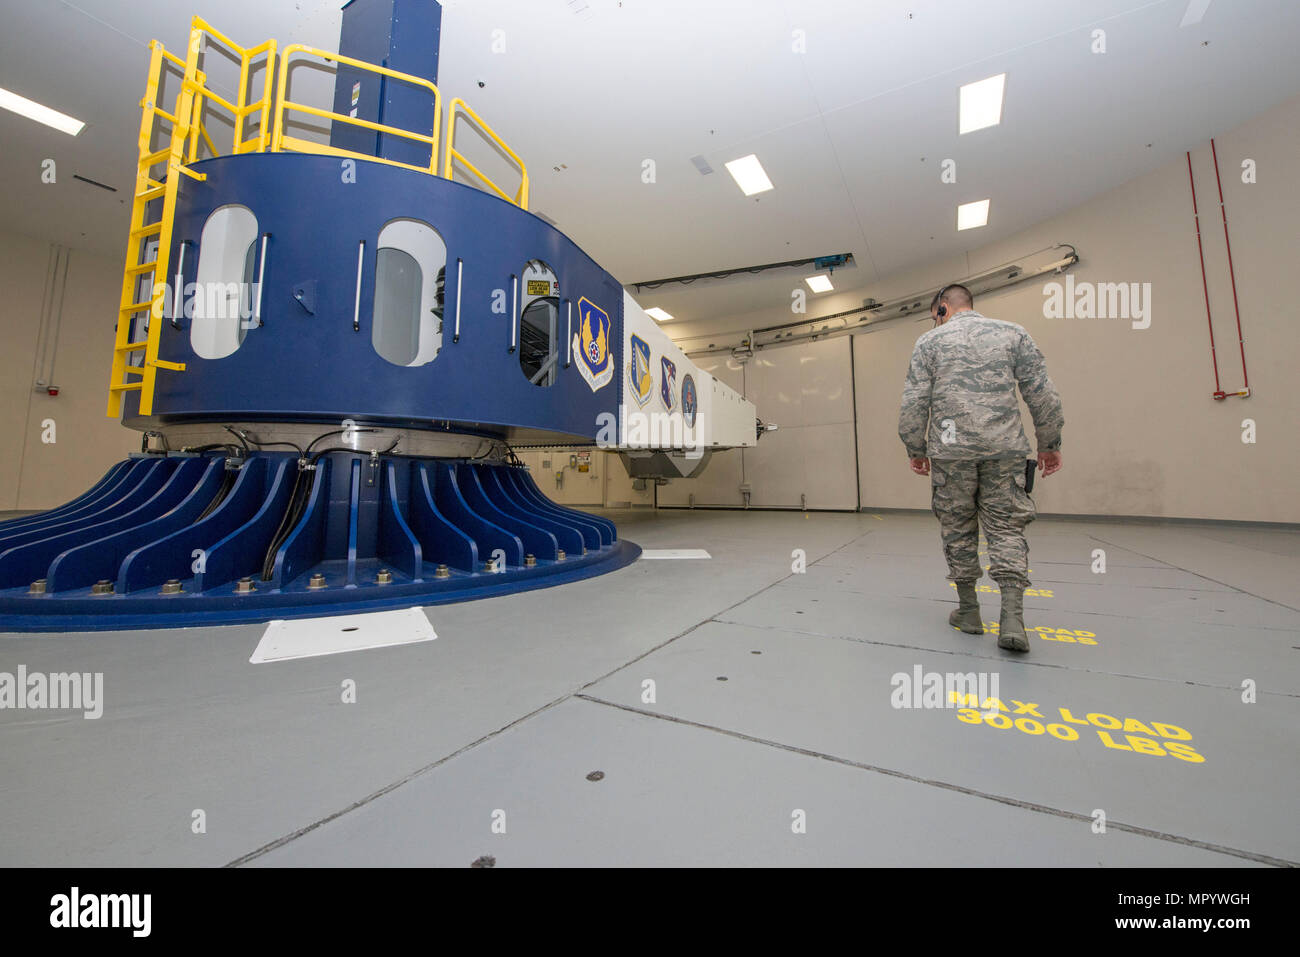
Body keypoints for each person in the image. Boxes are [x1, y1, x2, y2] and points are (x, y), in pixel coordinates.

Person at [897, 284, 1063, 652]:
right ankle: (1012, 619)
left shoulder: (929, 343)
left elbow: (914, 400)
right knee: (1006, 527)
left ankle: (969, 611)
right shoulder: (1013, 333)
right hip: (1004, 450)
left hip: (951, 451)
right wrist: (1049, 444)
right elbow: (1042, 393)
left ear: (942, 308)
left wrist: (915, 446)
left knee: (957, 527)